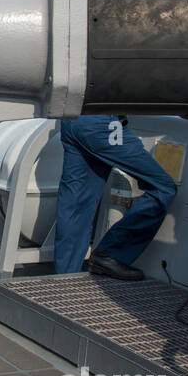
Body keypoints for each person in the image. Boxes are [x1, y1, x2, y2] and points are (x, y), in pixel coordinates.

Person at [53, 116, 176, 281]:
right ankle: (110, 254)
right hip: (104, 125)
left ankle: (65, 277)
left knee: (77, 206)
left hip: (73, 122)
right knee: (163, 187)